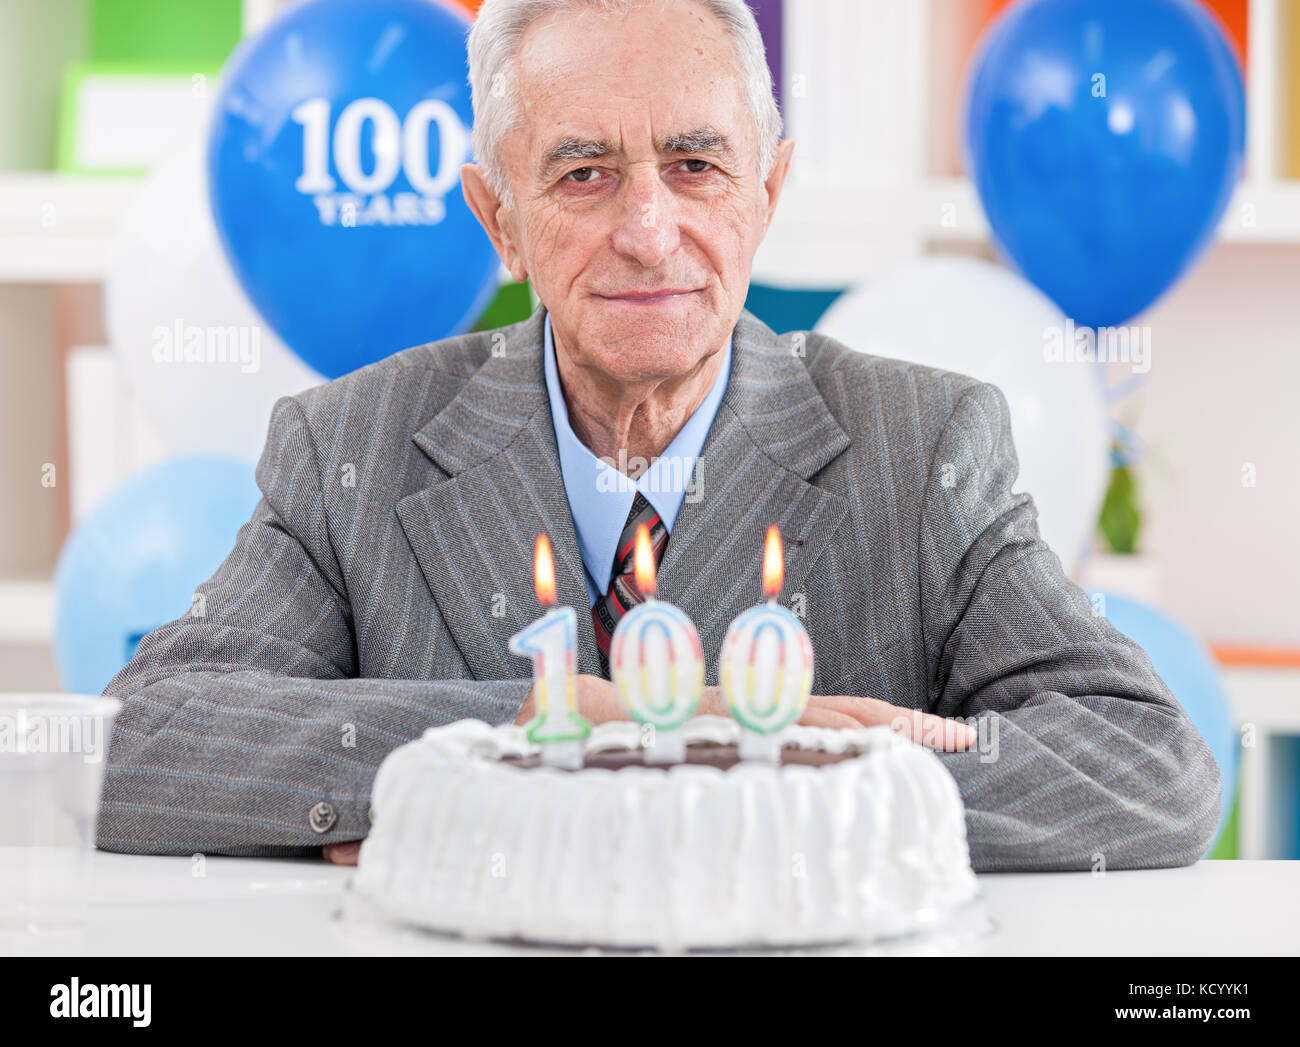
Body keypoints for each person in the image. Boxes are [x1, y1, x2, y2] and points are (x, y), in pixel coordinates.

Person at [98, 0, 1220, 871]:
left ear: (766, 190)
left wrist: (783, 780)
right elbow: (148, 746)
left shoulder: (921, 446)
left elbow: (1146, 766)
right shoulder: (349, 444)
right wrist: (571, 725)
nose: (648, 231)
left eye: (695, 165)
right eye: (584, 175)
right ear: (500, 222)